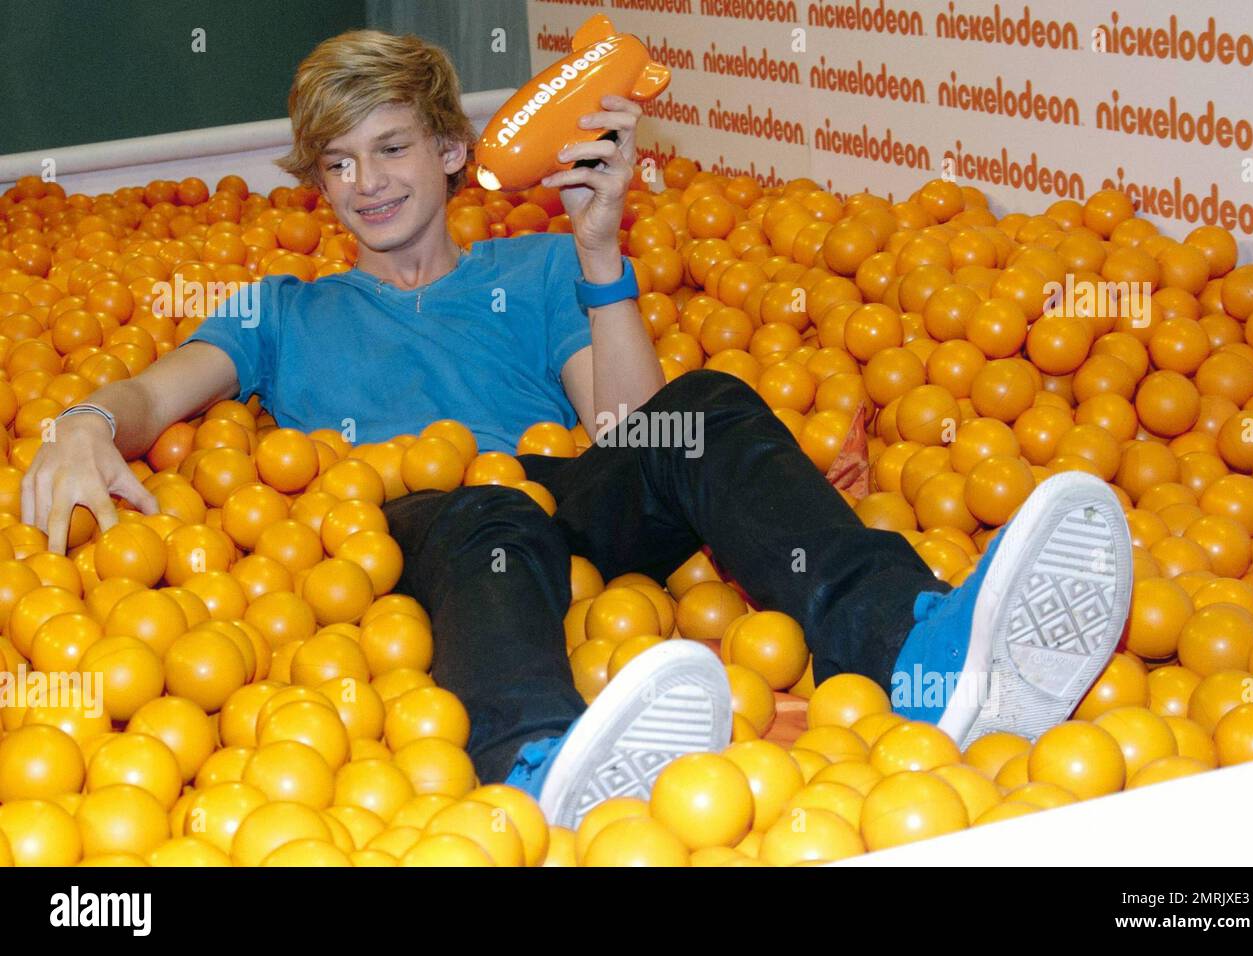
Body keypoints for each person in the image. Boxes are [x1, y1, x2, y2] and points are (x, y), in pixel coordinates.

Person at [21, 31, 1133, 830]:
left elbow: (628, 429)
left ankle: (921, 647)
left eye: (393, 147)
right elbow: (153, 396)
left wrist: (601, 253)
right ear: (315, 181)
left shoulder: (537, 267)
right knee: (485, 505)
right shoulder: (280, 309)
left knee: (708, 404)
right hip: (415, 534)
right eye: (340, 161)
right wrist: (83, 421)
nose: (367, 182)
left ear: (455, 152)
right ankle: (538, 761)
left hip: (562, 501)